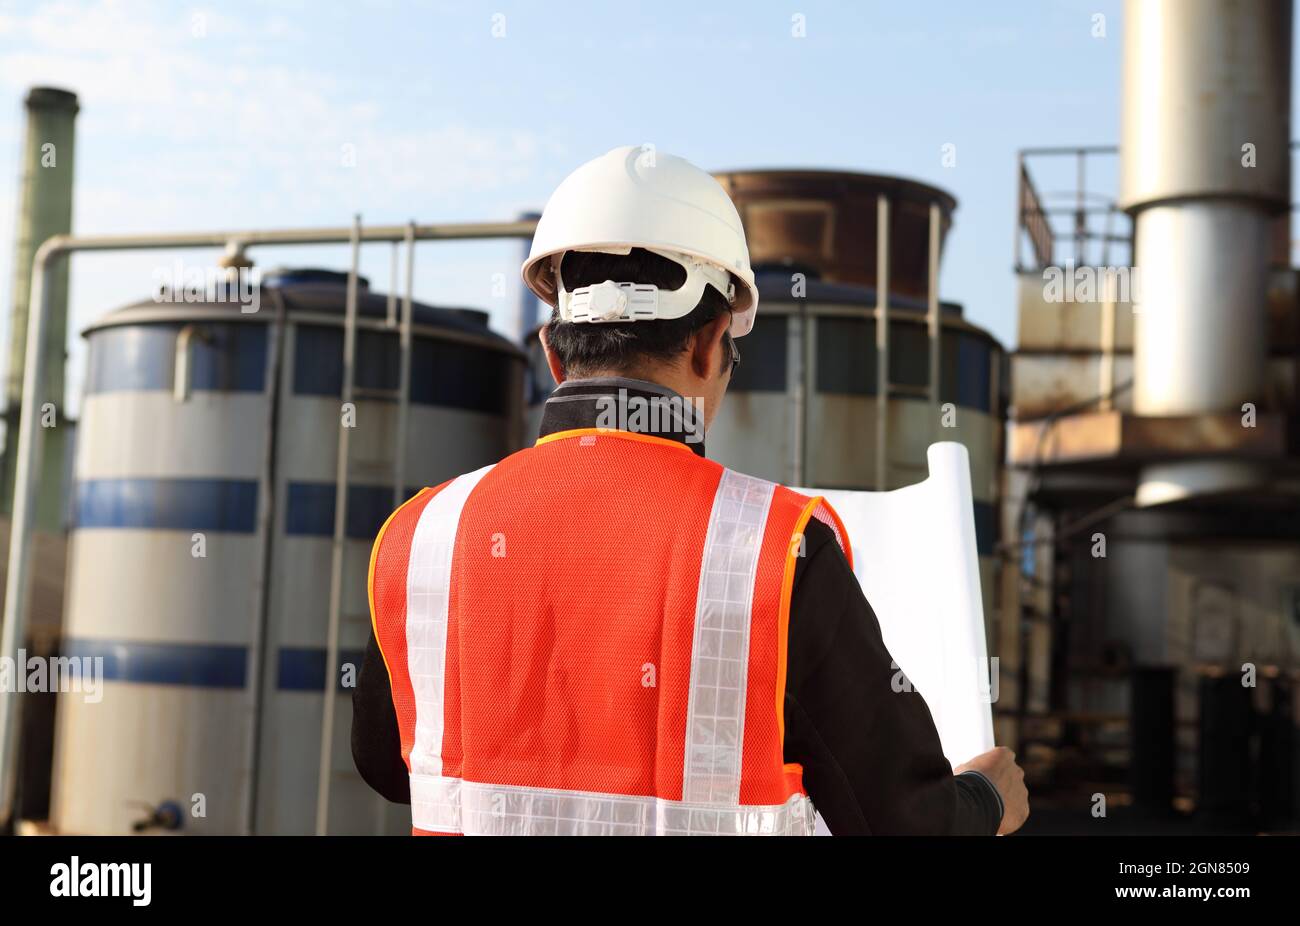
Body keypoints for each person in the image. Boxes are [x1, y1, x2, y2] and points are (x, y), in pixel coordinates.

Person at [352, 145, 1029, 836]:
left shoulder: (421, 535)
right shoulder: (777, 551)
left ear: (552, 353)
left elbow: (386, 763)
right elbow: (904, 821)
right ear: (710, 345)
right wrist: (986, 797)